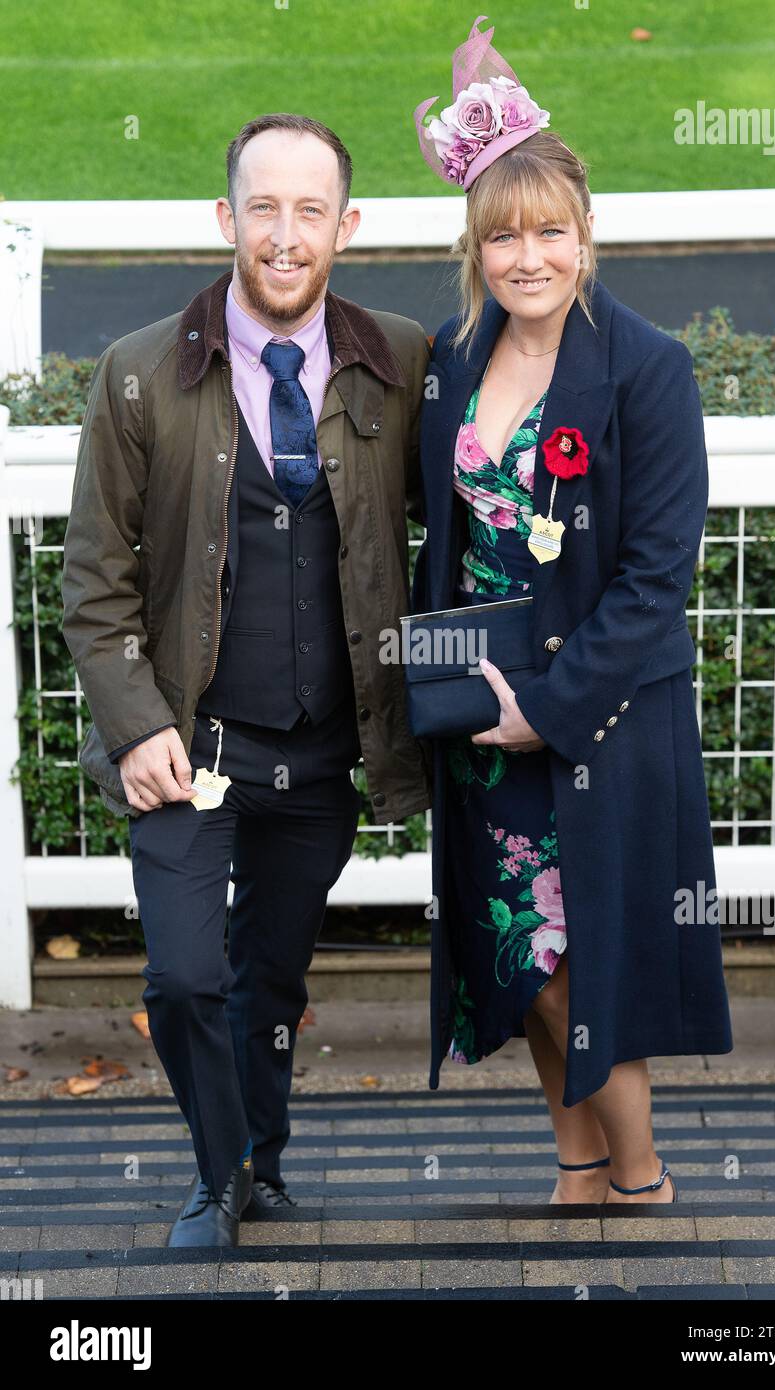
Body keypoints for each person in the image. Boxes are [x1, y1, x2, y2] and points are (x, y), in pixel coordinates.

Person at [61, 113, 431, 1245]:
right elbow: (95, 575)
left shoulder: (404, 359)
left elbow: (489, 482)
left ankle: (253, 1167)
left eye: (308, 210)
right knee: (181, 978)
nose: (284, 234)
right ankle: (219, 1171)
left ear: (346, 227)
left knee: (269, 980)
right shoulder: (138, 374)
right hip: (187, 745)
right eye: (261, 208)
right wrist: (132, 727)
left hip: (321, 747)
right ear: (226, 219)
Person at [411, 16, 733, 1207]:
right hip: (478, 727)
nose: (527, 256)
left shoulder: (645, 367)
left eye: (550, 230)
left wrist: (545, 709)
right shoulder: (454, 360)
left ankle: (640, 1183)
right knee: (517, 950)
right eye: (503, 235)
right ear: (477, 247)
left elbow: (656, 575)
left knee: (586, 954)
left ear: (585, 236)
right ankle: (578, 1170)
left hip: (592, 722)